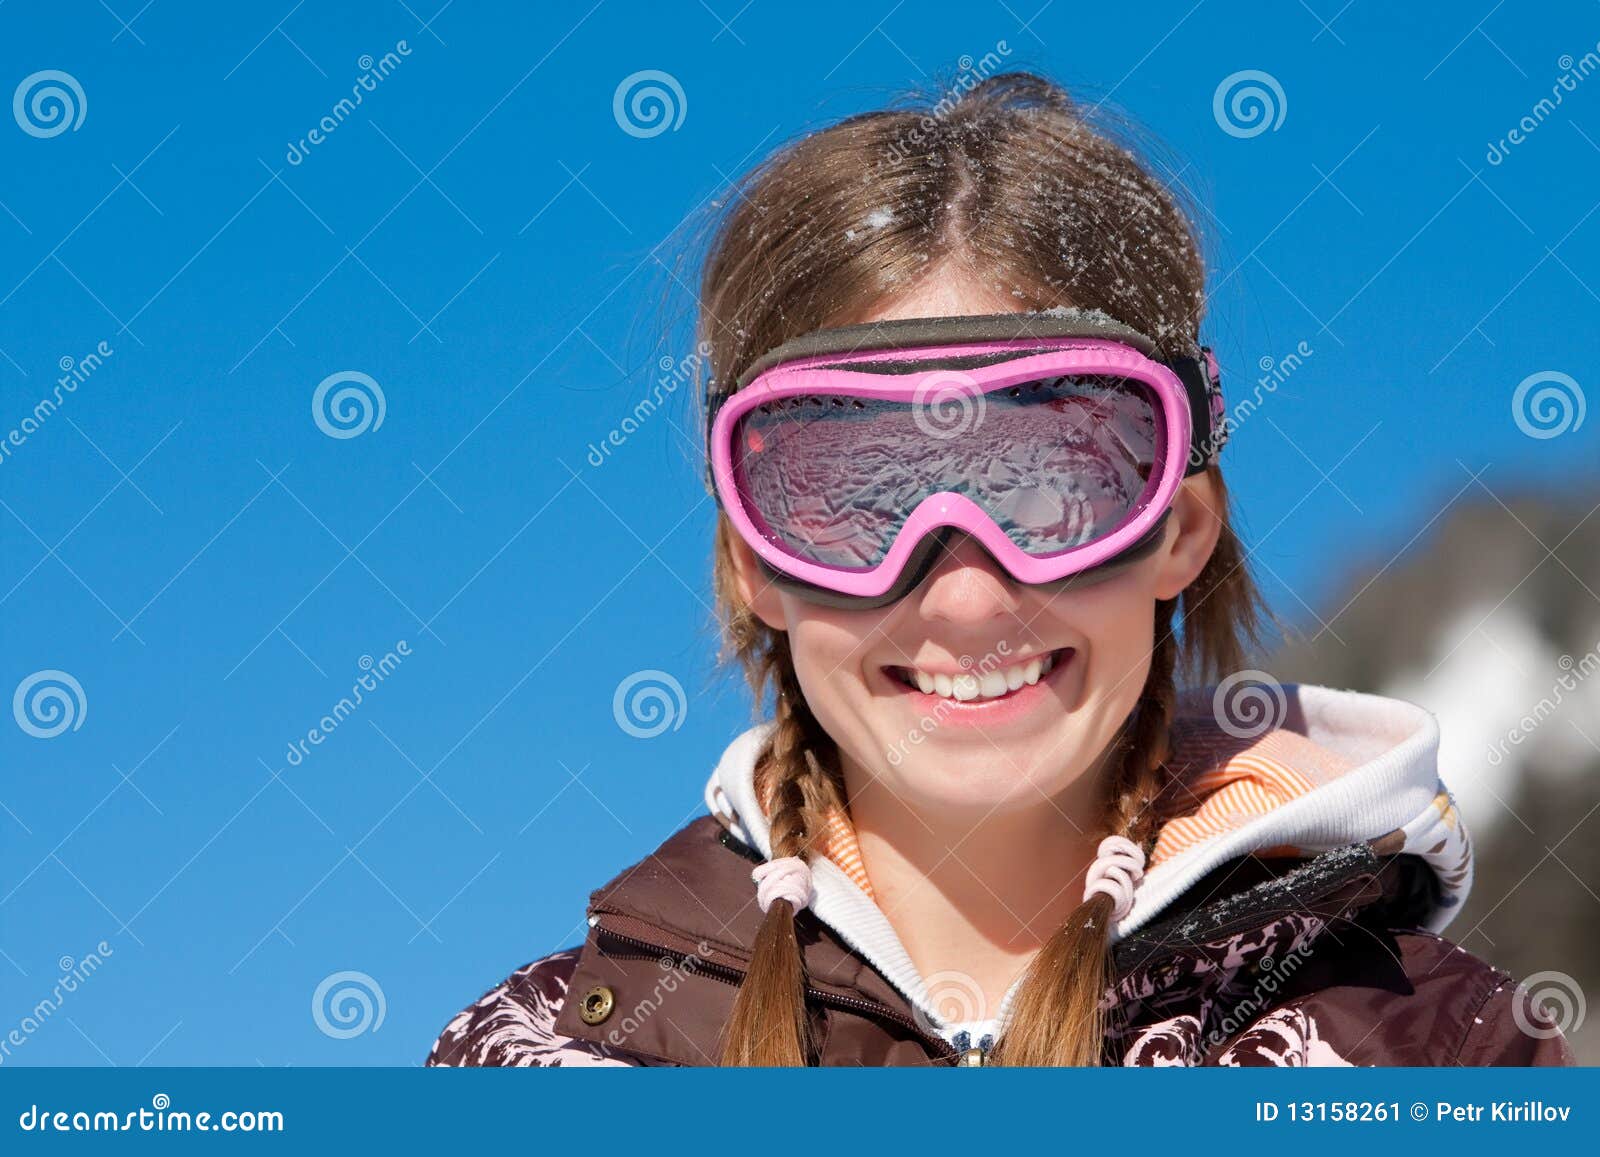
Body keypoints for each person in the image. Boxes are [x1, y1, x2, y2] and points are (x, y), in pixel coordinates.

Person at [427, 71, 1573, 1067]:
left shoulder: (1436, 1049)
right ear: (752, 564)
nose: (968, 596)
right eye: (855, 498)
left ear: (1179, 526)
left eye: (1054, 485)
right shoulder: (540, 1060)